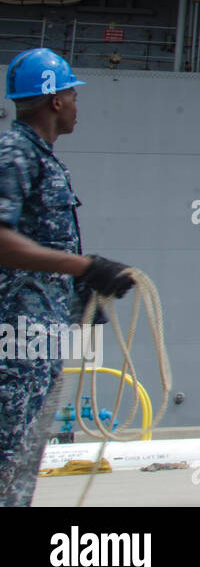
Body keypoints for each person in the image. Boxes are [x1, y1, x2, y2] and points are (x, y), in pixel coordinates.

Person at [0, 49, 136, 507]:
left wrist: (87, 293)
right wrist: (85, 266)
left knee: (19, 470)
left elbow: (42, 256)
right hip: (14, 350)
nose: (78, 102)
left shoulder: (46, 161)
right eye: (72, 93)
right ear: (54, 100)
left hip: (38, 346)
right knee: (7, 463)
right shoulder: (15, 152)